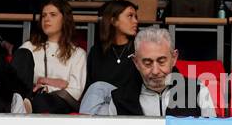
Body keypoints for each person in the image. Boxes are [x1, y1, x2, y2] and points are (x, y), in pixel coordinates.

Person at [82, 26, 216, 117]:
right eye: (147, 63)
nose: (156, 71)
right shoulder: (119, 98)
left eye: (162, 61)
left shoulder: (198, 90)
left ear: (174, 58)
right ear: (135, 62)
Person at [12, 0, 87, 114]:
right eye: (43, 15)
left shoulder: (78, 53)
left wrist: (46, 85)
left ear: (65, 19)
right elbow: (16, 77)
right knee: (23, 54)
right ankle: (21, 106)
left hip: (57, 101)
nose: (46, 19)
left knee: (42, 100)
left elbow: (75, 91)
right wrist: (59, 82)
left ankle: (24, 108)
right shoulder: (29, 46)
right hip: (27, 96)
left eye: (53, 15)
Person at [85, 0, 139, 91]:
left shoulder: (140, 50)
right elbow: (90, 88)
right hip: (100, 102)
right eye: (130, 16)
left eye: (136, 17)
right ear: (113, 21)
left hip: (129, 104)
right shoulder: (97, 51)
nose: (135, 21)